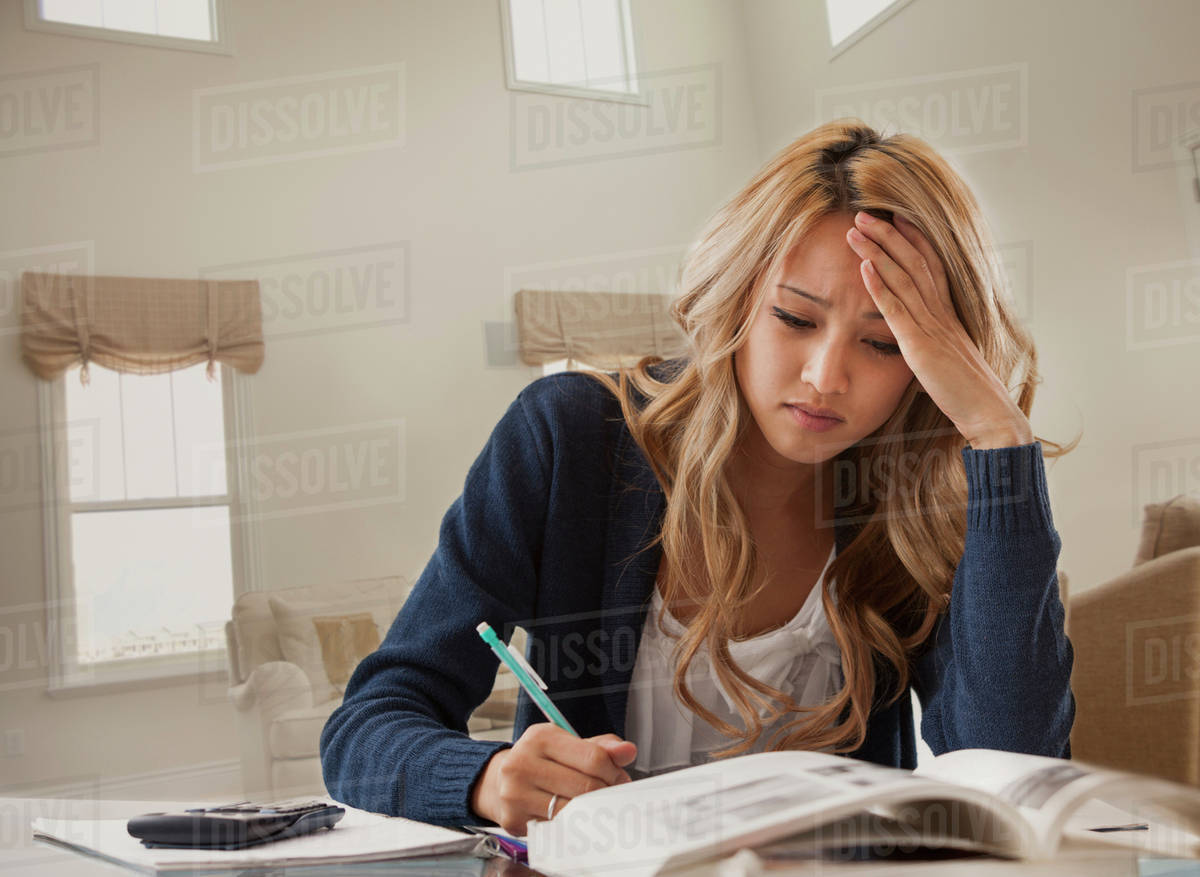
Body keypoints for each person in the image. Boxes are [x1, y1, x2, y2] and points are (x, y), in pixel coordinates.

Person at [320, 118, 1077, 836]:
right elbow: (368, 727)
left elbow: (1015, 762)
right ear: (738, 296)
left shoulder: (920, 504)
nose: (826, 377)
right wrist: (484, 777)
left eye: (883, 344)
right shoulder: (571, 438)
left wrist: (998, 435)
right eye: (795, 318)